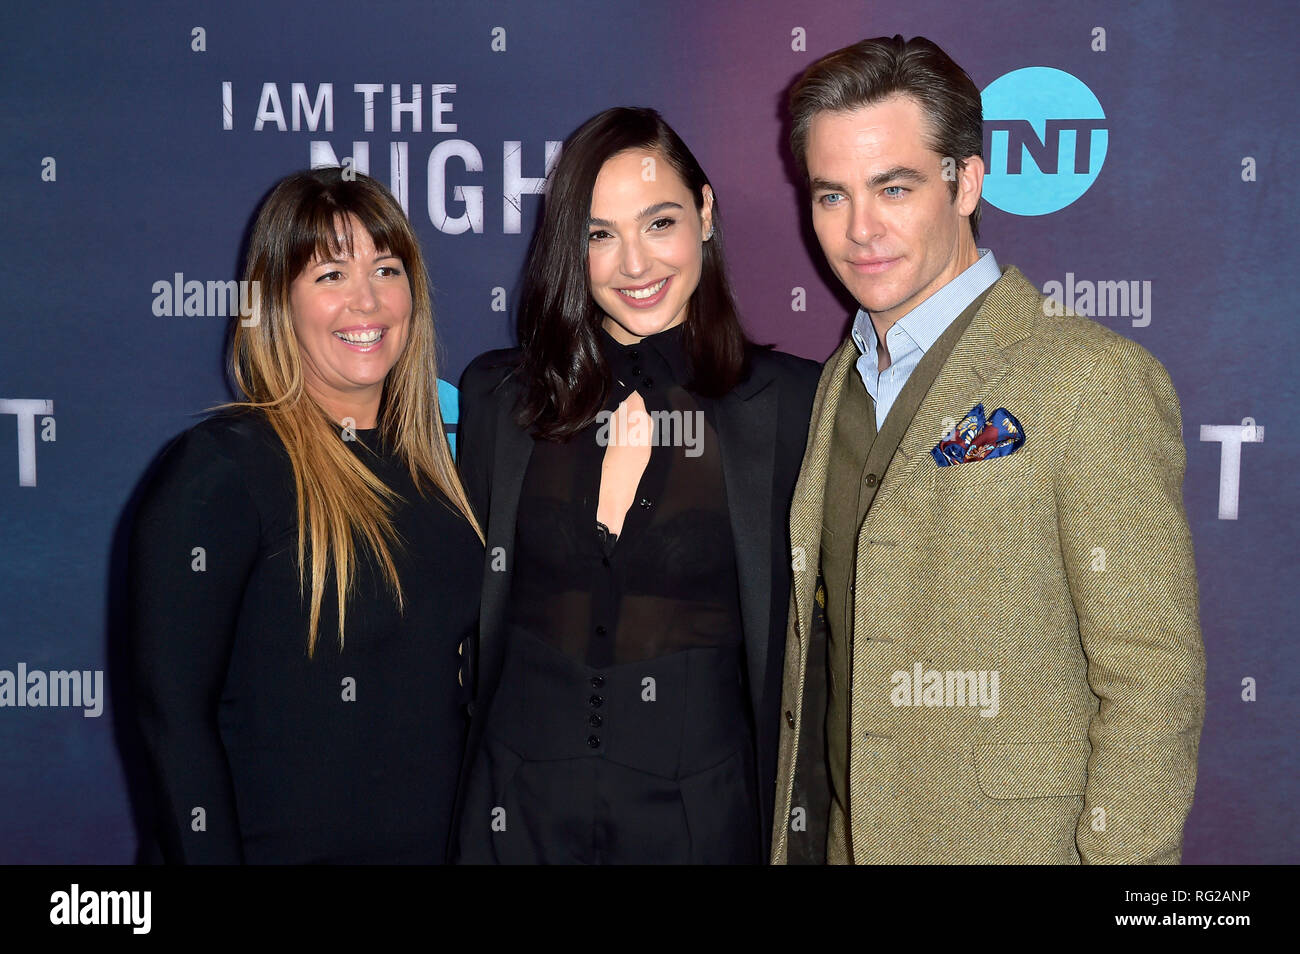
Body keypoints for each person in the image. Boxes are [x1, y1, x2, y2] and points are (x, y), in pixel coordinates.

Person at [771, 35, 1205, 864]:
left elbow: (1154, 679)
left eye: (893, 188)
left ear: (965, 181)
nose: (861, 230)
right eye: (833, 196)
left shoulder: (1092, 379)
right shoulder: (839, 380)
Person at [452, 107, 820, 864]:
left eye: (658, 223)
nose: (634, 264)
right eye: (599, 234)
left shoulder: (794, 405)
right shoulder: (499, 399)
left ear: (706, 213)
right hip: (514, 816)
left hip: (703, 823)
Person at [129, 168, 483, 863]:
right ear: (276, 302)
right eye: (330, 276)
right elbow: (173, 723)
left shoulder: (446, 473)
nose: (368, 301)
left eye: (387, 269)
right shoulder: (221, 471)